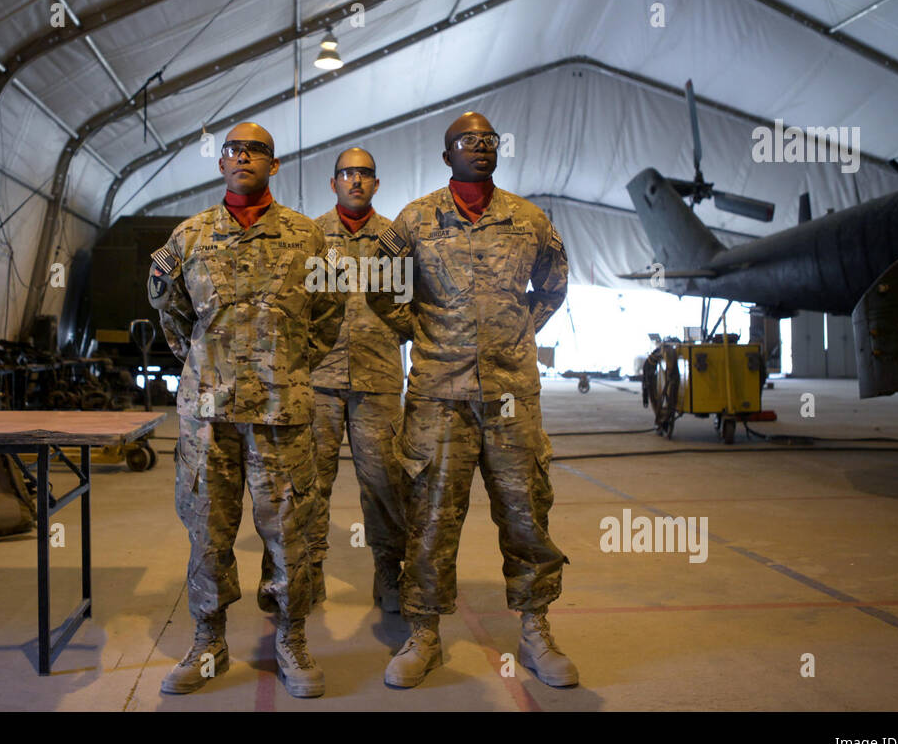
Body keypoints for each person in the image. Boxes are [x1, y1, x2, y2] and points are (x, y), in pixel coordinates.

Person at [367, 110, 577, 689]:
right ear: (446, 154)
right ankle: (425, 634)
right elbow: (382, 289)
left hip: (512, 396)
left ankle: (536, 631)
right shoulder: (414, 220)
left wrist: (516, 329)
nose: (479, 147)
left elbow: (555, 284)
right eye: (467, 140)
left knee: (527, 512)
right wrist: (425, 332)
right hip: (440, 395)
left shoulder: (529, 219)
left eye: (488, 140)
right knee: (432, 517)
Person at [148, 121, 342, 698]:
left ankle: (291, 637)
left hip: (282, 411)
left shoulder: (308, 239)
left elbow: (327, 320)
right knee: (208, 528)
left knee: (289, 530)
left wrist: (284, 366)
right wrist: (208, 366)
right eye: (234, 150)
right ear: (221, 163)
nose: (244, 158)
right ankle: (207, 639)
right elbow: (172, 315)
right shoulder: (189, 236)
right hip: (208, 415)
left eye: (257, 151)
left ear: (274, 165)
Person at [299, 147, 412, 613]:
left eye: (365, 174)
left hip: (378, 379)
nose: (356, 181)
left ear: (377, 183)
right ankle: (310, 570)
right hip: (318, 380)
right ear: (333, 183)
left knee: (385, 483)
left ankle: (388, 573)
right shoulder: (308, 238)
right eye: (347, 174)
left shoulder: (395, 239)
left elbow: (409, 308)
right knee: (310, 481)